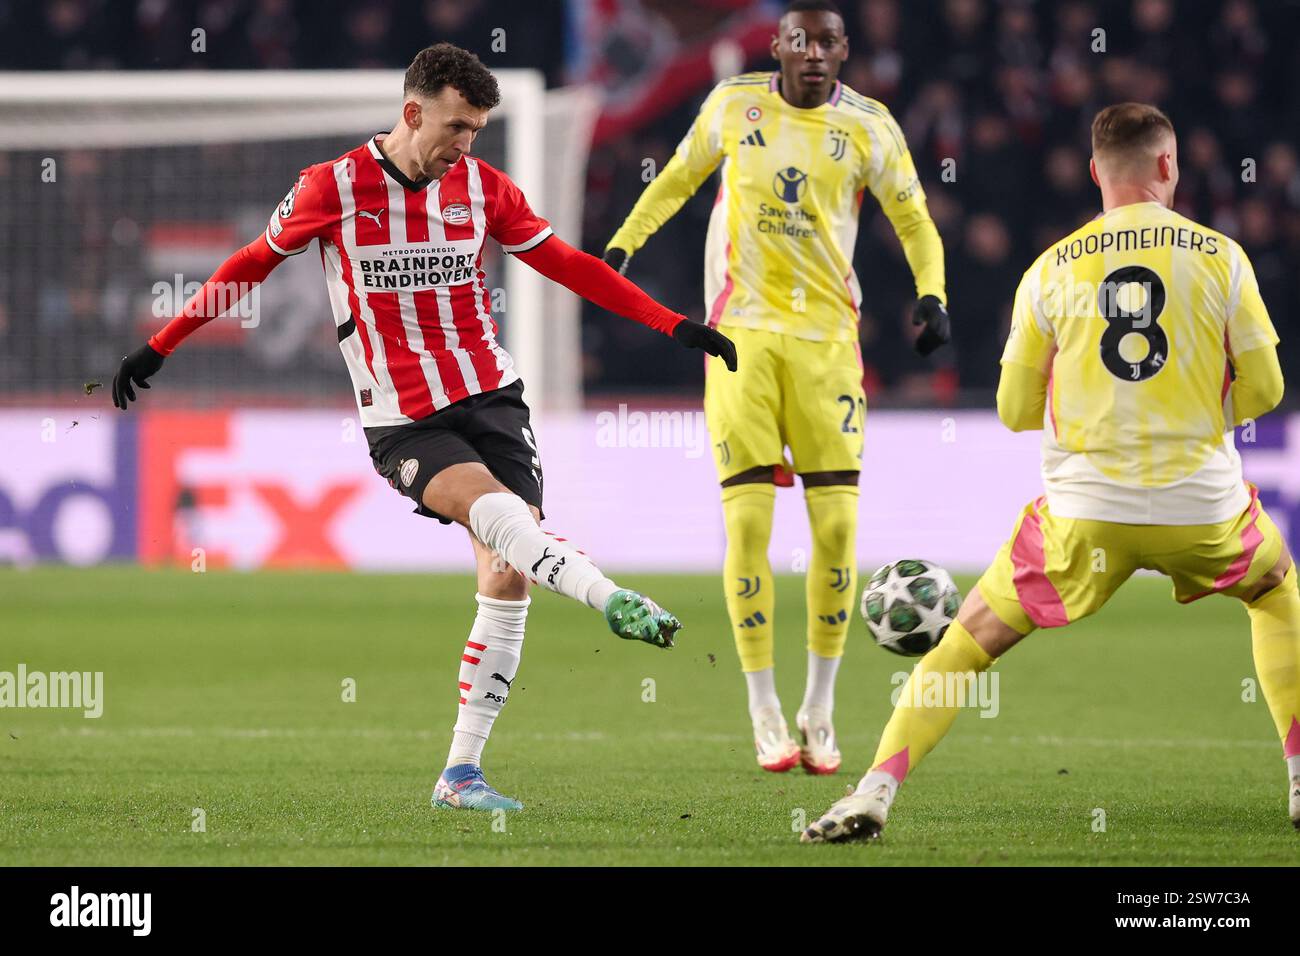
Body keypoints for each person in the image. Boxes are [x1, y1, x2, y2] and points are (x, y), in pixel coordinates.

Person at [111, 42, 738, 813]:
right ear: (413, 113)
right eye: (456, 127)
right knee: (503, 519)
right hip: (405, 419)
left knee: (509, 572)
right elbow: (249, 264)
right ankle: (609, 597)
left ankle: (461, 774)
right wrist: (160, 345)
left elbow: (568, 264)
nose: (465, 145)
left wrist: (672, 324)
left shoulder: (481, 187)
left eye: (476, 130)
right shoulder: (332, 187)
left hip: (492, 396)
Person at [803, 102, 1298, 842]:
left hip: (1085, 516)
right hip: (1202, 507)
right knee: (1276, 592)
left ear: (1097, 172)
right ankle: (1296, 778)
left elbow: (1011, 408)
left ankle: (873, 791)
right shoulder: (1223, 256)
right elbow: (1267, 392)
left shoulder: (1048, 269)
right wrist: (1192, 407)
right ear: (1168, 165)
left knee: (966, 641)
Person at [603, 0, 949, 774]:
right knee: (750, 531)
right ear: (779, 46)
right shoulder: (733, 105)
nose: (816, 53)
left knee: (834, 535)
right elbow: (677, 180)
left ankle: (818, 709)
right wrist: (624, 244)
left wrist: (934, 293)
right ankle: (762, 708)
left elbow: (915, 219)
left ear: (845, 50)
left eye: (829, 42)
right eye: (802, 40)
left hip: (829, 346)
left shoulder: (871, 126)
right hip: (742, 340)